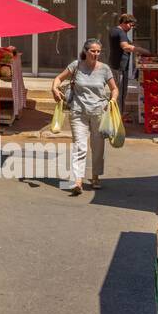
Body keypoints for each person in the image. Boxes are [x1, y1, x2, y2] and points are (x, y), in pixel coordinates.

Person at [50, 38, 120, 196]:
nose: (96, 54)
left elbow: (114, 89)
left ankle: (95, 176)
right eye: (92, 51)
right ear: (85, 51)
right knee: (79, 146)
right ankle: (78, 180)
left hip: (99, 112)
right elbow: (58, 78)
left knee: (97, 147)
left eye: (98, 51)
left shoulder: (105, 69)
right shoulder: (76, 66)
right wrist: (54, 88)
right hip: (78, 111)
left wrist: (113, 100)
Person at [109, 13, 147, 120]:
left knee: (118, 91)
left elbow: (128, 43)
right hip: (119, 67)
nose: (131, 28)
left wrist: (136, 46)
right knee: (120, 92)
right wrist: (141, 50)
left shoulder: (115, 31)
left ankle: (116, 114)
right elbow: (125, 46)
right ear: (125, 22)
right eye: (131, 25)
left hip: (117, 66)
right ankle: (117, 116)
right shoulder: (121, 32)